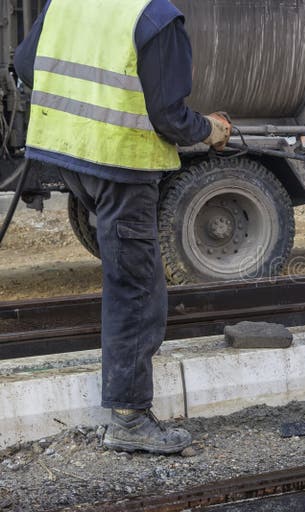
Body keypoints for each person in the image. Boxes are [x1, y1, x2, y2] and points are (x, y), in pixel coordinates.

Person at [14, 0, 231, 454]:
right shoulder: (155, 18)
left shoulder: (66, 4)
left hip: (72, 157)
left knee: (126, 275)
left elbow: (25, 65)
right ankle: (129, 419)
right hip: (122, 164)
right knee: (136, 287)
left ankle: (128, 411)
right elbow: (169, 118)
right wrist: (210, 129)